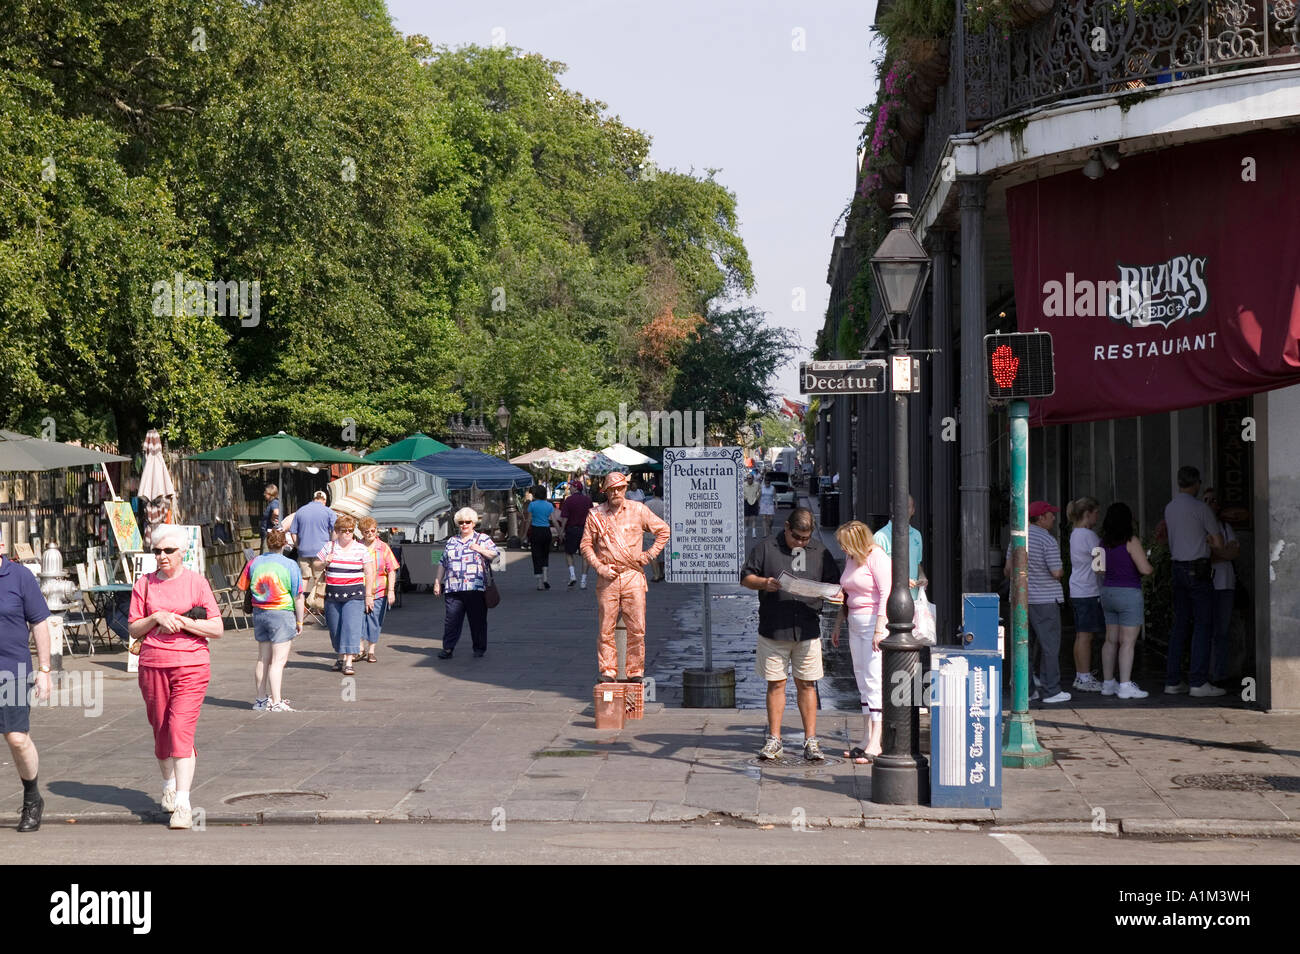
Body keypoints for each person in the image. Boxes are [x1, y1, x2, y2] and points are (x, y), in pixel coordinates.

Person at [127, 525, 224, 829]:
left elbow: (217, 628)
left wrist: (181, 621)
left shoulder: (197, 583)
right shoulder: (144, 585)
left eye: (168, 550)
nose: (162, 556)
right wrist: (156, 617)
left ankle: (183, 803)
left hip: (191, 666)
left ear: (184, 552)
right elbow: (132, 628)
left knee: (180, 729)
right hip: (153, 665)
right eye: (157, 551)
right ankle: (168, 784)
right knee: (161, 729)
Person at [741, 507, 842, 761]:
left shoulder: (819, 551)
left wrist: (830, 593)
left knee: (807, 684)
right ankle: (775, 739)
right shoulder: (766, 547)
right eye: (796, 537)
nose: (801, 542)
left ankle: (811, 740)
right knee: (776, 683)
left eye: (805, 538)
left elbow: (836, 584)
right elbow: (745, 577)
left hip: (807, 628)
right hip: (774, 627)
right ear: (786, 527)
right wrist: (764, 583)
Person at [579, 472, 670, 683]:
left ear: (625, 489)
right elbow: (585, 545)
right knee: (605, 628)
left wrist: (649, 555)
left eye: (620, 488)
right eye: (612, 489)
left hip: (632, 576)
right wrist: (599, 568)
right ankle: (608, 670)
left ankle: (635, 670)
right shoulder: (596, 515)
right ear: (606, 491)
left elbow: (664, 531)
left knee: (637, 628)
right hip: (607, 577)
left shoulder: (638, 510)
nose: (616, 492)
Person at [1, 551, 52, 832]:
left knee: (18, 739)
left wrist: (45, 670)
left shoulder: (20, 577)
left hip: (13, 672)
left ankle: (32, 798)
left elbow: (40, 622)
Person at [1163, 465, 1224, 696]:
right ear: (1196, 483)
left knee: (1180, 625)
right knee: (1202, 624)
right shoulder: (1201, 508)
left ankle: (1172, 681)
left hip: (1177, 568)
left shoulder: (1170, 508)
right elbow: (1218, 542)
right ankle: (1198, 682)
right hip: (1198, 570)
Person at [830, 521, 889, 762]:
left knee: (874, 679)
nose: (842, 549)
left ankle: (877, 740)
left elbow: (886, 591)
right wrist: (838, 623)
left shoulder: (877, 557)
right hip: (854, 620)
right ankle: (866, 736)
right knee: (862, 677)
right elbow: (847, 593)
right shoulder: (852, 558)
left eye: (845, 544)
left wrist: (880, 627)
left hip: (872, 621)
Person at [1004, 501, 1070, 704]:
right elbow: (1056, 572)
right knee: (1050, 646)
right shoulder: (1048, 540)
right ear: (1040, 518)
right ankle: (1051, 690)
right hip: (1045, 600)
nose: (1053, 518)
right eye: (1051, 515)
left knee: (1023, 646)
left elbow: (1007, 570)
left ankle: (1027, 691)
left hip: (1020, 601)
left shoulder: (1017, 539)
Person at [236, 529, 304, 712]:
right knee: (278, 661)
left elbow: (243, 586)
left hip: (260, 613)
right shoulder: (290, 565)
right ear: (284, 544)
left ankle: (260, 699)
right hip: (281, 613)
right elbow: (298, 595)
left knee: (262, 659)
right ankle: (276, 701)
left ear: (267, 542)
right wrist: (300, 621)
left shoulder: (254, 562)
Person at [1098, 502, 1153, 699]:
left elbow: (1099, 570)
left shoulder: (1102, 543)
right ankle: (1125, 685)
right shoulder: (1131, 541)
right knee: (1127, 642)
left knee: (1110, 640)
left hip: (1107, 592)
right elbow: (1145, 569)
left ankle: (1107, 683)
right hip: (1129, 593)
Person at [434, 508, 500, 659]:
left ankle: (479, 648)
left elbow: (497, 557)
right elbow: (442, 562)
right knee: (451, 620)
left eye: (467, 522)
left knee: (477, 620)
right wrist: (437, 582)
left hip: (475, 588)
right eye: (461, 522)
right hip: (453, 587)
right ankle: (448, 648)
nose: (464, 525)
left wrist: (480, 549)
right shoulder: (452, 541)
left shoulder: (482, 539)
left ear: (473, 523)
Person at [318, 514, 374, 677]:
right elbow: (315, 564)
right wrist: (324, 561)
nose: (348, 533)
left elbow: (369, 571)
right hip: (332, 595)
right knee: (335, 629)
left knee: (351, 627)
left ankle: (349, 661)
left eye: (350, 530)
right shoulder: (329, 546)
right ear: (337, 531)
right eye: (344, 530)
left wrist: (368, 595)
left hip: (354, 595)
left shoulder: (361, 549)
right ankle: (340, 657)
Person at [1065, 496, 1104, 693]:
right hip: (1089, 590)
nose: (1098, 516)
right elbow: (1099, 567)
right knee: (1086, 635)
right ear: (1088, 514)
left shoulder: (1075, 534)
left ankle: (1081, 674)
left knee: (1081, 634)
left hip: (1077, 588)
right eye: (1096, 512)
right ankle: (1085, 676)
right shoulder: (1090, 536)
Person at [1202, 487, 1240, 683]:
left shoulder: (1225, 528)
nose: (1210, 504)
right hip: (1206, 585)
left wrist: (1218, 552)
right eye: (1206, 500)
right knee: (1205, 629)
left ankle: (1219, 674)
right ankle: (1204, 673)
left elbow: (1234, 552)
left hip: (1226, 585)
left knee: (1222, 632)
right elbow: (1205, 557)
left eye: (1214, 500)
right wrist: (1223, 552)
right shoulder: (1200, 528)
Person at [873, 494, 927, 599]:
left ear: (913, 510)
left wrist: (922, 575)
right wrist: (901, 581)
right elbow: (876, 571)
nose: (903, 510)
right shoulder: (880, 537)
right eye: (900, 506)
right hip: (890, 600)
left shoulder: (917, 535)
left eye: (908, 507)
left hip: (913, 598)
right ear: (892, 508)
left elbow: (917, 563)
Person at [284, 490, 335, 595]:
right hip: (321, 551)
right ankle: (318, 605)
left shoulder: (300, 511)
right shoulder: (329, 512)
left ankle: (300, 604)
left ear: (313, 499)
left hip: (303, 551)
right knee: (319, 578)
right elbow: (335, 530)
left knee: (304, 578)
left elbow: (293, 532)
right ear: (324, 500)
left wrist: (298, 546)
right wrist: (333, 546)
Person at [557, 479, 594, 589]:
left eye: (572, 487)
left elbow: (565, 518)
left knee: (569, 553)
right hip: (585, 530)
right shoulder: (587, 500)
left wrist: (561, 531)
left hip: (571, 530)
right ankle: (583, 581)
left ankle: (572, 575)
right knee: (585, 556)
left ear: (576, 488)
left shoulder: (569, 500)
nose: (570, 489)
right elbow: (592, 516)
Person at [527, 485, 557, 590]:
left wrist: (524, 533)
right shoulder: (549, 505)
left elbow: (528, 520)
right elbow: (553, 520)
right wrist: (560, 532)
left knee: (536, 556)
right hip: (546, 531)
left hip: (535, 531)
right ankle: (545, 577)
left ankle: (539, 583)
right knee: (545, 555)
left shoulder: (532, 505)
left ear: (535, 494)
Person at [644, 485, 667, 582]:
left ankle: (656, 574)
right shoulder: (665, 505)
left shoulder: (647, 504)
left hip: (649, 532)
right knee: (661, 554)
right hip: (661, 533)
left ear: (653, 493)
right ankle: (662, 573)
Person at [260, 483, 281, 550]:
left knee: (266, 554)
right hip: (266, 534)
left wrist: (272, 518)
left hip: (269, 535)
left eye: (266, 493)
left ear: (270, 493)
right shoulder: (272, 502)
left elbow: (276, 512)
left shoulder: (274, 502)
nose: (264, 494)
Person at [743, 472, 761, 538]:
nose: (748, 479)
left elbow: (759, 491)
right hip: (746, 502)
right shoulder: (743, 484)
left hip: (754, 502)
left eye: (750, 478)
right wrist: (744, 497)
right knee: (746, 519)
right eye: (747, 478)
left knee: (754, 518)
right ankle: (746, 529)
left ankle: (754, 533)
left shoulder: (757, 484)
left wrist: (757, 498)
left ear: (753, 479)